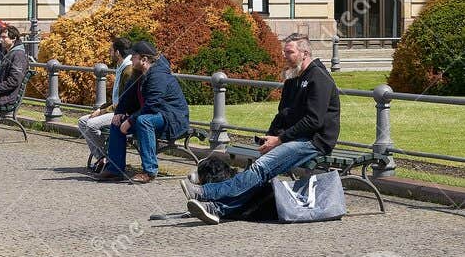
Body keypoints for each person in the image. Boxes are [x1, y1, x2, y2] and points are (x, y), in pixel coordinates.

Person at [185, 32, 342, 225]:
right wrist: (270, 136)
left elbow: (313, 121)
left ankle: (205, 193)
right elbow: (283, 114)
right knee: (259, 171)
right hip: (294, 138)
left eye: (289, 52)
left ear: (305, 53)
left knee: (260, 168)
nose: (285, 56)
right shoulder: (293, 78)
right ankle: (215, 209)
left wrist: (280, 140)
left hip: (315, 141)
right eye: (284, 52)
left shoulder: (319, 78)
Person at [99, 40, 189, 184]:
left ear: (144, 59)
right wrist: (119, 113)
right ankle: (115, 169)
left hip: (171, 118)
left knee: (143, 120)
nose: (131, 59)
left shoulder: (159, 76)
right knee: (117, 123)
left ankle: (149, 171)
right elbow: (126, 96)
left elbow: (152, 105)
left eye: (134, 56)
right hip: (152, 115)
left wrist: (130, 120)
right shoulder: (138, 73)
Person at [77, 37, 134, 171]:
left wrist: (101, 111)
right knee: (82, 121)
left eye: (111, 51)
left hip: (123, 112)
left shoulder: (128, 70)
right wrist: (103, 108)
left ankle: (107, 159)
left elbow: (124, 101)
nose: (110, 53)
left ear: (118, 53)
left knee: (91, 124)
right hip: (116, 109)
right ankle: (102, 158)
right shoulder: (122, 67)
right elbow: (117, 98)